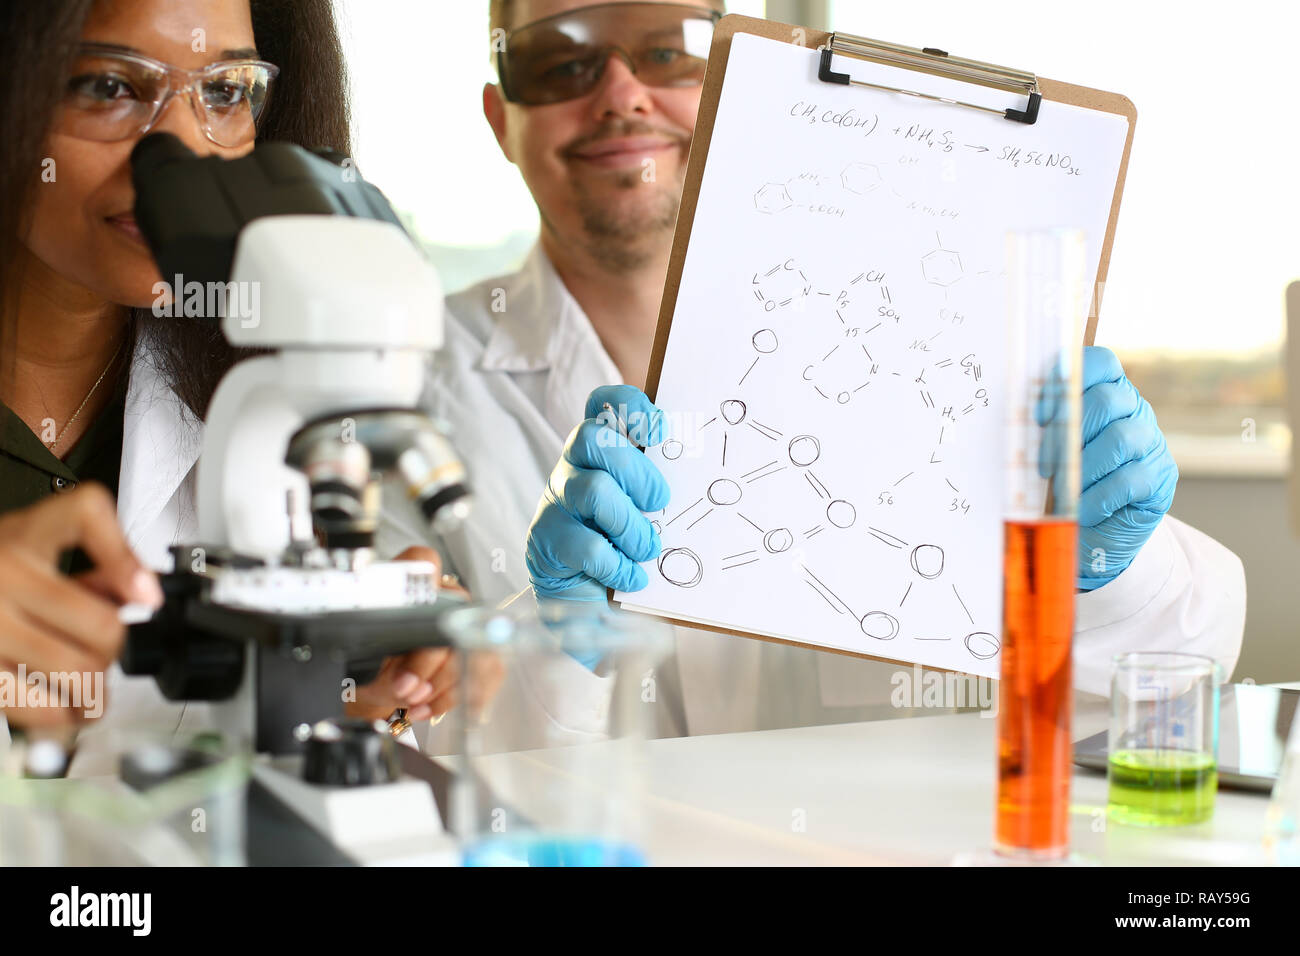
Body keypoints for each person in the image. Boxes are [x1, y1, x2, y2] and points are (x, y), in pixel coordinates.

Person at [419, 0, 1247, 744]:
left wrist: (1109, 574)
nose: (621, 94)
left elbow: (1172, 682)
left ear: (729, 80)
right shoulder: (400, 389)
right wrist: (550, 650)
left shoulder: (946, 351)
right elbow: (400, 735)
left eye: (669, 48)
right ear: (499, 118)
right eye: (560, 60)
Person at [0, 0, 466, 757]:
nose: (183, 147)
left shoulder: (247, 397)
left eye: (224, 90)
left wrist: (338, 696)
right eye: (109, 85)